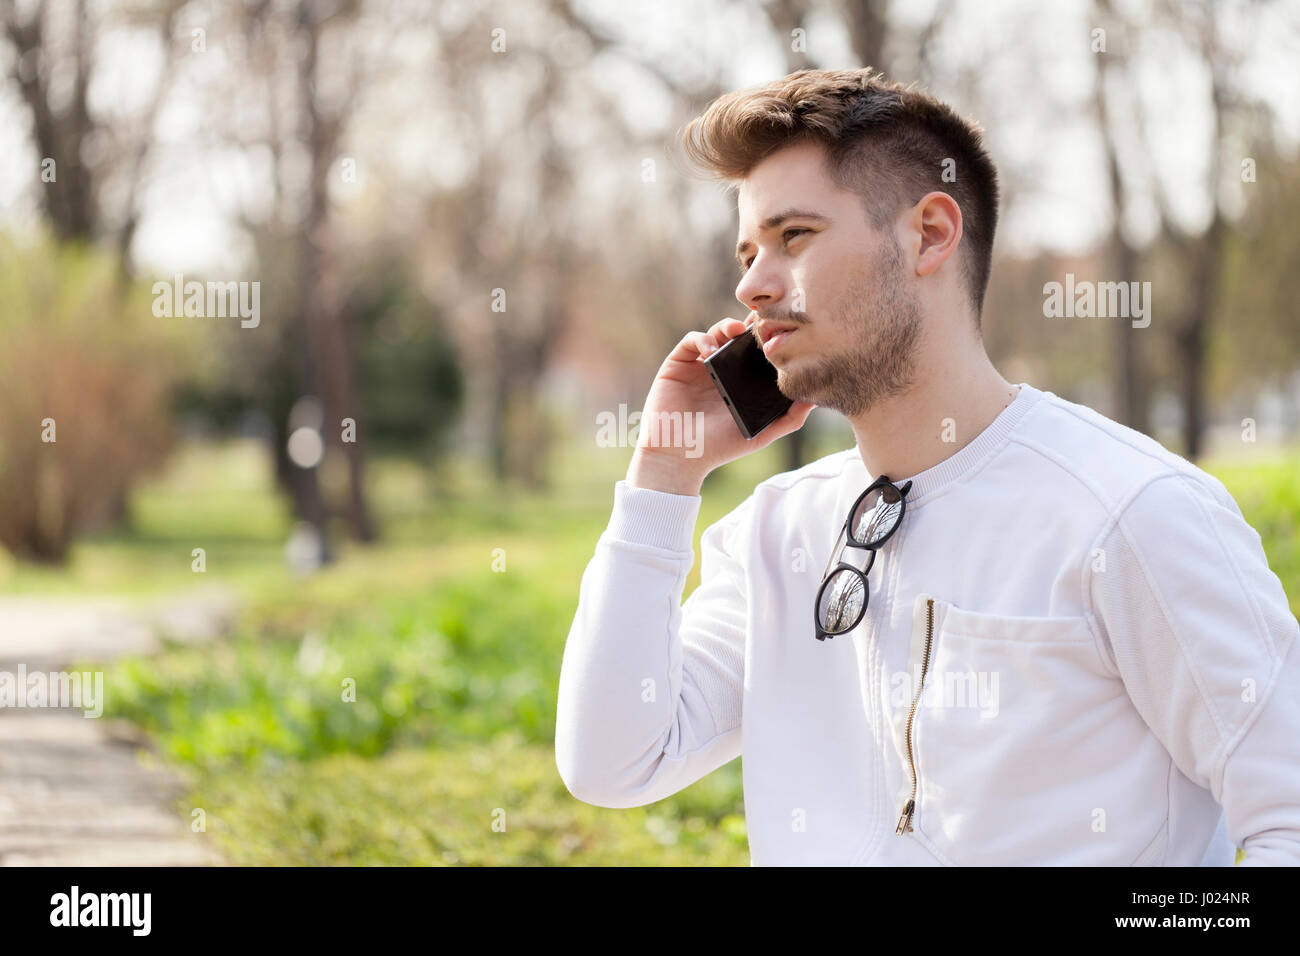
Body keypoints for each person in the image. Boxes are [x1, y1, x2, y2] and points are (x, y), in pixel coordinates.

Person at [554, 68, 1300, 865]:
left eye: (793, 236)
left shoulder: (1134, 513)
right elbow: (613, 762)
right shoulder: (776, 534)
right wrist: (664, 477)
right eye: (748, 251)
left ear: (931, 234)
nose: (751, 284)